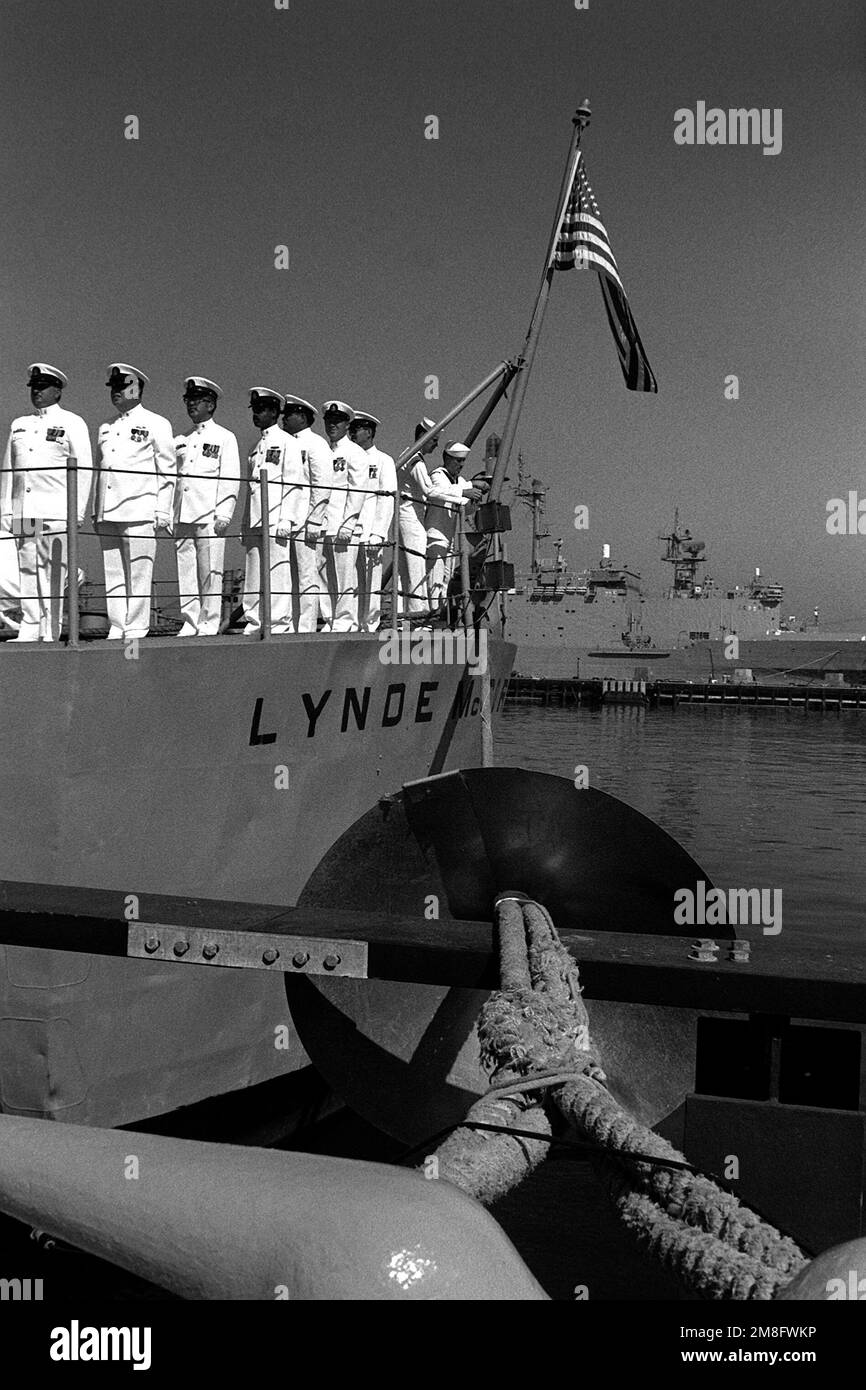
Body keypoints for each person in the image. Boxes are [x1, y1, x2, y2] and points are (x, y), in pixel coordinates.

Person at [0, 363, 92, 641]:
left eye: (42, 388)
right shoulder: (20, 425)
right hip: (25, 510)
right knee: (28, 568)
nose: (37, 393)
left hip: (56, 511)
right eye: (34, 388)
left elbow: (84, 470)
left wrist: (76, 511)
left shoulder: (72, 423)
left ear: (57, 391)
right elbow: (8, 470)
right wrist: (6, 509)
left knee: (54, 572)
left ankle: (50, 629)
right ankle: (30, 626)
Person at [93, 363, 175, 640]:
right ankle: (118, 624)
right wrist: (96, 509)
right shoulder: (106, 426)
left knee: (139, 569)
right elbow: (100, 470)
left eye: (122, 387)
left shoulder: (156, 423)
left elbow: (167, 470)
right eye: (113, 388)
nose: (116, 393)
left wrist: (164, 509)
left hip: (140, 507)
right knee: (113, 570)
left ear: (136, 388)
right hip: (108, 509)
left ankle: (137, 626)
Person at [173, 377, 240, 636]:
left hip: (209, 513)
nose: (191, 405)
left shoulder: (224, 437)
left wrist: (224, 512)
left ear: (210, 405)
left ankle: (209, 622)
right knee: (186, 570)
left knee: (210, 570)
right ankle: (190, 621)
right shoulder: (182, 438)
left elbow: (230, 477)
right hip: (183, 512)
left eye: (196, 401)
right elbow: (175, 479)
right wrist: (170, 513)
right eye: (188, 400)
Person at [242, 388, 305, 634]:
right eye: (254, 410)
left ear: (273, 412)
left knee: (278, 572)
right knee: (253, 573)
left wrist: (287, 518)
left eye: (260, 410)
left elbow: (294, 482)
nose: (256, 415)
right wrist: (245, 523)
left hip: (277, 516)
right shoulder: (255, 446)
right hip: (256, 518)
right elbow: (251, 488)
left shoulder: (288, 442)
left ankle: (278, 622)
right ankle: (255, 620)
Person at [280, 395, 332, 633]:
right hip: (287, 520)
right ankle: (289, 622)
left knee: (307, 576)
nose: (283, 418)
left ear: (301, 417)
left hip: (305, 521)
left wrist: (315, 519)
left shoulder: (315, 443)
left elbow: (322, 483)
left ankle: (306, 625)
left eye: (288, 414)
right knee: (288, 576)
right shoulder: (286, 442)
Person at [318, 401, 368, 631]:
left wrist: (348, 524)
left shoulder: (354, 453)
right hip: (325, 523)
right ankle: (331, 619)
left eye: (337, 422)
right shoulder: (325, 452)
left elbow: (357, 490)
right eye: (329, 421)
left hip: (344, 526)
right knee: (325, 576)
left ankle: (346, 619)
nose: (332, 426)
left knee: (345, 576)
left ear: (347, 424)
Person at [348, 410, 396, 632]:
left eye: (356, 429)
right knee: (348, 580)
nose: (352, 433)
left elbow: (386, 499)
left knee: (370, 580)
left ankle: (370, 623)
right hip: (348, 529)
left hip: (370, 530)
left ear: (368, 432)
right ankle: (351, 623)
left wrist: (379, 532)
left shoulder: (383, 461)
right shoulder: (348, 457)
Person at [425, 441, 487, 610]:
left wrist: (474, 499)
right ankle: (431, 614)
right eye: (457, 460)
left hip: (450, 537)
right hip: (435, 534)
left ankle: (442, 613)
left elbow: (464, 509)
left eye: (462, 461)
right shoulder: (437, 475)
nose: (461, 464)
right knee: (435, 578)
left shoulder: (459, 481)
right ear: (446, 458)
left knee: (446, 579)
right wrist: (466, 490)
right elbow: (439, 491)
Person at [397, 417, 439, 617]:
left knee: (406, 570)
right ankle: (417, 614)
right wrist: (461, 494)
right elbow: (429, 490)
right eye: (434, 440)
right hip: (411, 517)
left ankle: (406, 611)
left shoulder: (409, 455)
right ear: (424, 437)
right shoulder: (415, 459)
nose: (436, 445)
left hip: (411, 516)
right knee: (415, 568)